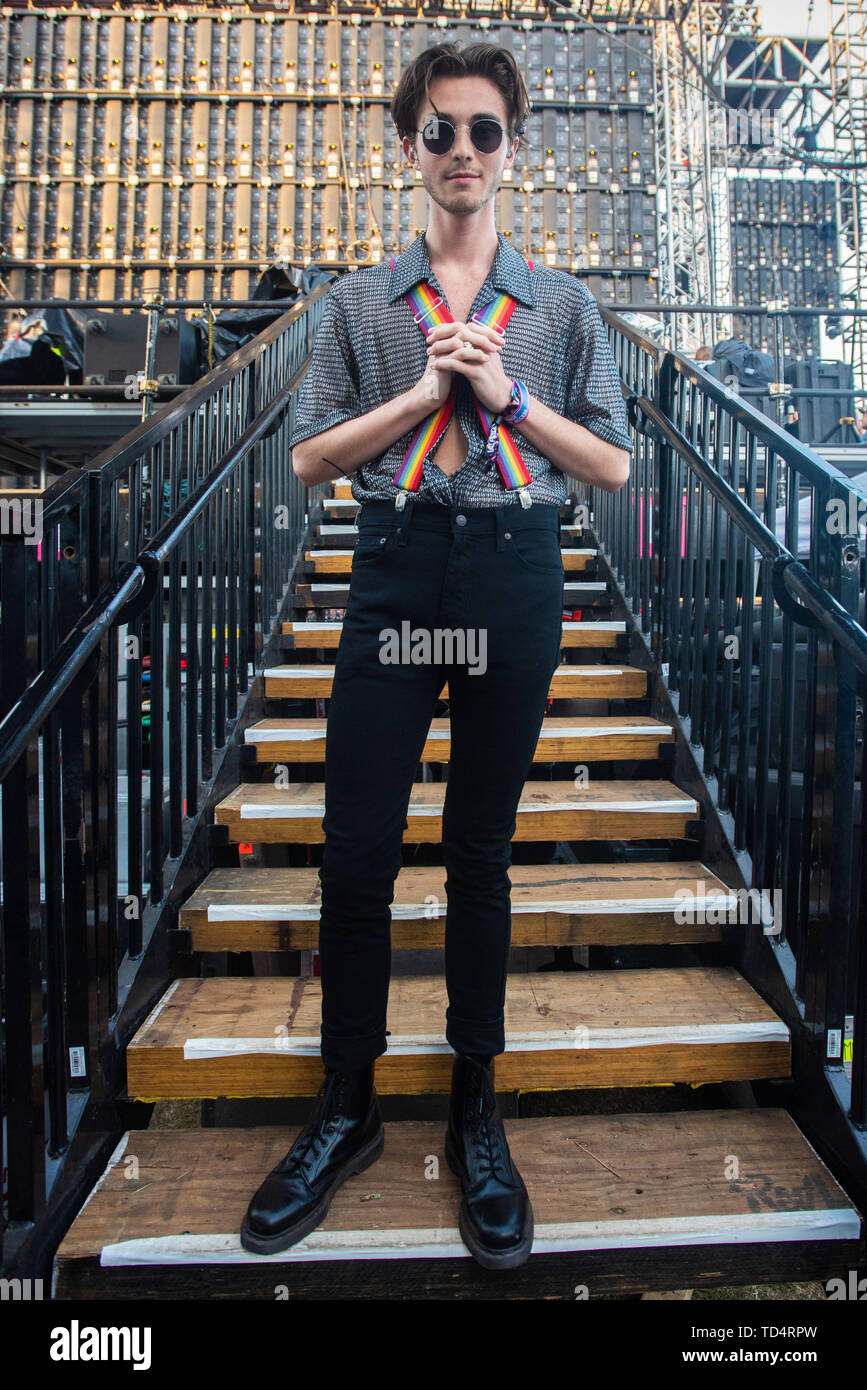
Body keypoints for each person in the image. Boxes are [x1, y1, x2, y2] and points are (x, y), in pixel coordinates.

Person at [240, 40, 631, 1270]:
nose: (463, 151)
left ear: (515, 147)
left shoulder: (560, 306)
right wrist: (425, 394)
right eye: (440, 131)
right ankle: (346, 1107)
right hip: (398, 569)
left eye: (484, 131)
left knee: (479, 852)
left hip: (515, 574)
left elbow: (616, 464)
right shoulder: (361, 302)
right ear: (409, 147)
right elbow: (306, 458)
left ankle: (476, 1110)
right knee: (356, 849)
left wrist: (508, 397)